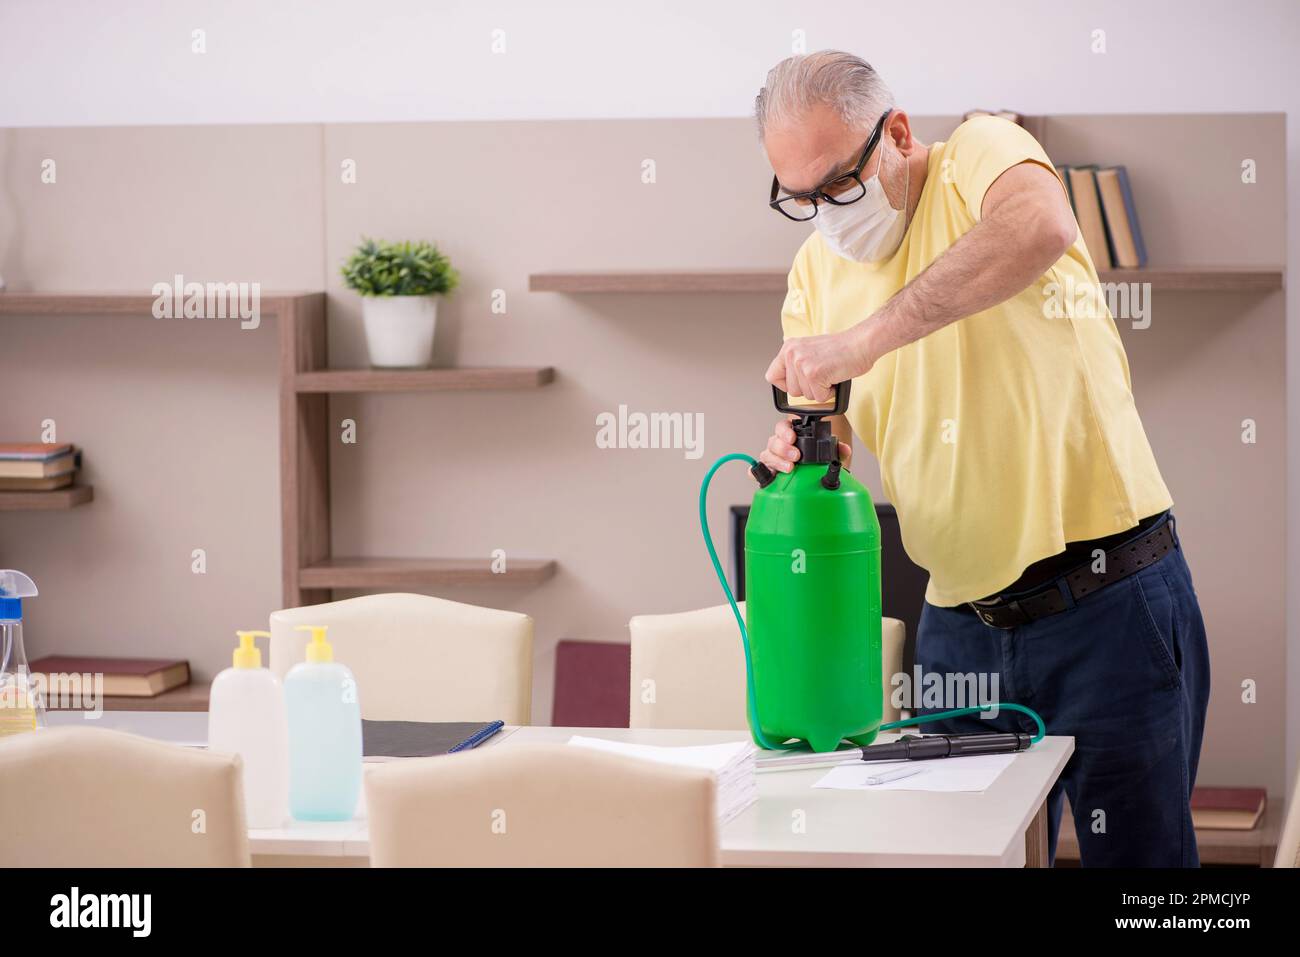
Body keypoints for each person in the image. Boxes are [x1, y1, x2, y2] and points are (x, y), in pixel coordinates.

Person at [753, 50, 1210, 866]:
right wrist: (802, 447)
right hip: (959, 634)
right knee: (957, 857)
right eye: (801, 199)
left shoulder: (981, 156)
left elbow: (1040, 227)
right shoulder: (816, 270)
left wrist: (860, 340)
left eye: (839, 186)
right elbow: (838, 436)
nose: (827, 215)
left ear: (895, 133)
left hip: (1107, 603)